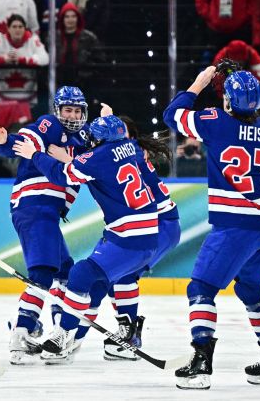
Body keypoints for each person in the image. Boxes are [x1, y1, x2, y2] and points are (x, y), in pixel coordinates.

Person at [164, 67, 260, 389]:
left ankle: (201, 363)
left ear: (227, 100)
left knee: (201, 289)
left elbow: (172, 115)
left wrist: (200, 82)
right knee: (251, 291)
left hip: (235, 225)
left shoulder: (215, 121)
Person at [12, 115, 159, 364]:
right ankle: (123, 332)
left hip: (127, 236)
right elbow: (94, 167)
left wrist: (34, 154)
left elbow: (62, 176)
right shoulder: (131, 148)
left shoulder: (96, 158)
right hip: (147, 234)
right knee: (103, 282)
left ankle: (62, 336)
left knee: (80, 275)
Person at [0, 85, 89, 365]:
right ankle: (21, 332)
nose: (71, 115)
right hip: (34, 207)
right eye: (67, 109)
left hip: (47, 213)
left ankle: (57, 331)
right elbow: (21, 141)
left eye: (77, 110)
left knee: (66, 273)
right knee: (43, 274)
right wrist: (4, 139)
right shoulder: (48, 126)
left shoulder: (82, 137)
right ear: (58, 110)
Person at [89, 109, 181, 361]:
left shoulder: (128, 154)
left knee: (123, 273)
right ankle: (127, 330)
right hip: (158, 223)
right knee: (114, 274)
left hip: (159, 224)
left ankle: (129, 336)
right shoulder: (126, 152)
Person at [0, 14, 49, 104]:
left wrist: (22, 60)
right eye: (14, 27)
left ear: (25, 28)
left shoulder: (33, 40)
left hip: (28, 100)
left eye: (20, 27)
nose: (17, 30)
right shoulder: (0, 40)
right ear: (8, 29)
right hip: (3, 99)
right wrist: (3, 60)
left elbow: (45, 59)